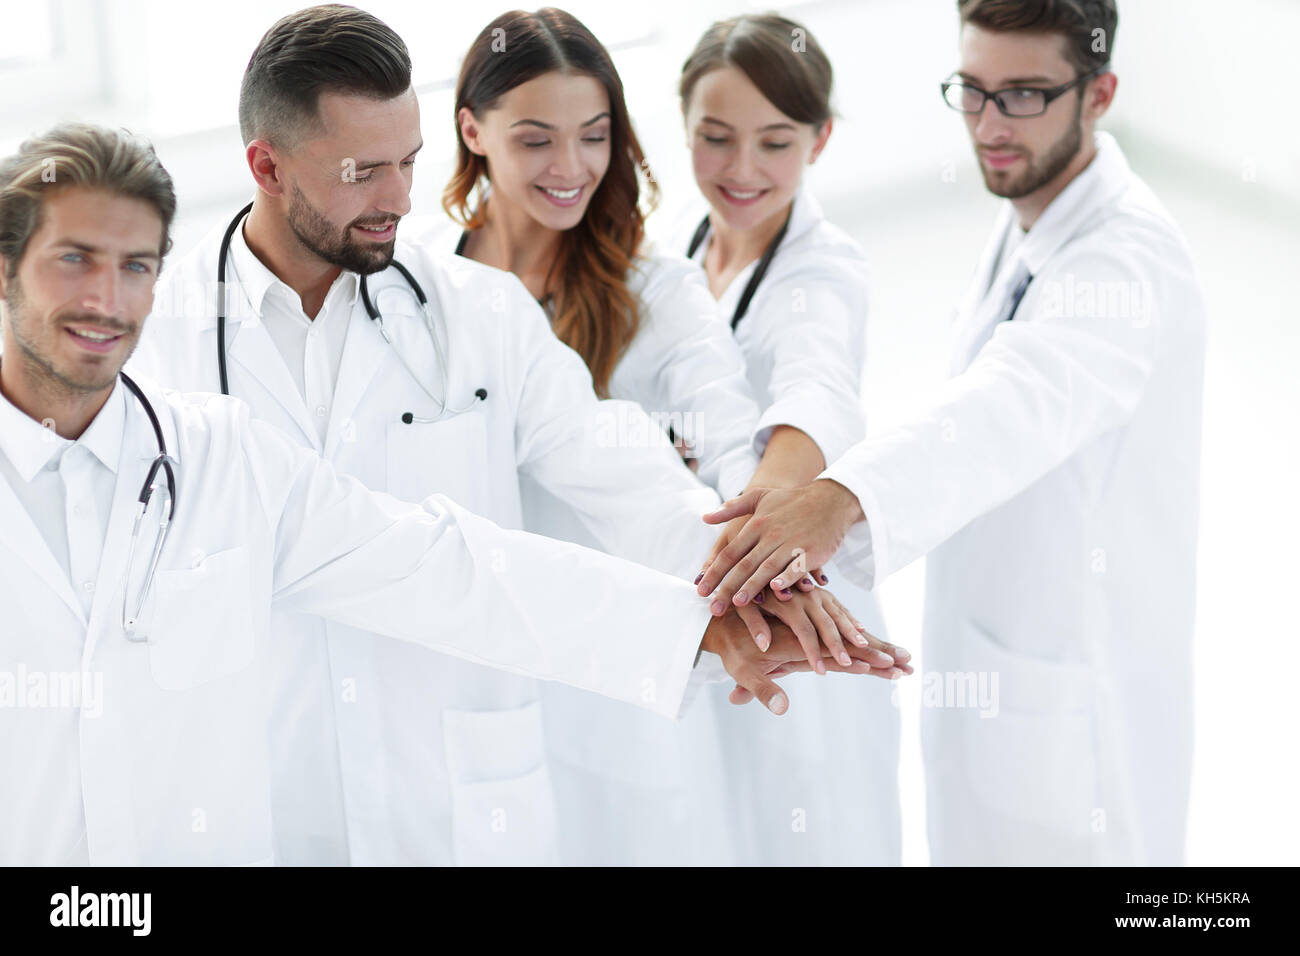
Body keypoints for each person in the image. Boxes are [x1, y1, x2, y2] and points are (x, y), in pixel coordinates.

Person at [127, 4, 902, 866]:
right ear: (265, 166)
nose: (397, 199)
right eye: (363, 172)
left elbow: (627, 475)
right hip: (268, 787)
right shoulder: (158, 334)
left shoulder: (477, 312)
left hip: (456, 788)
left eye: (410, 164)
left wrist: (752, 586)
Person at [699, 0, 1207, 866]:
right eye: (972, 90)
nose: (988, 124)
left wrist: (839, 498)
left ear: (1101, 91)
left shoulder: (1126, 259)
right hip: (1006, 664)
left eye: (1024, 95)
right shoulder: (1035, 221)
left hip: (1077, 707)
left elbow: (1012, 401)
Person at [411, 7, 910, 866]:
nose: (571, 169)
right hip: (476, 655)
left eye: (594, 135)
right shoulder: (419, 283)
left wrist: (769, 547)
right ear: (471, 129)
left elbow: (729, 425)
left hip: (630, 678)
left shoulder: (658, 289)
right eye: (535, 140)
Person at [661, 12, 902, 866]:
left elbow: (816, 389)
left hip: (796, 593)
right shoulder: (680, 251)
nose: (742, 170)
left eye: (775, 141)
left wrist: (768, 523)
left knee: (813, 822)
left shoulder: (822, 269)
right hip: (729, 596)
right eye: (715, 138)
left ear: (821, 137)